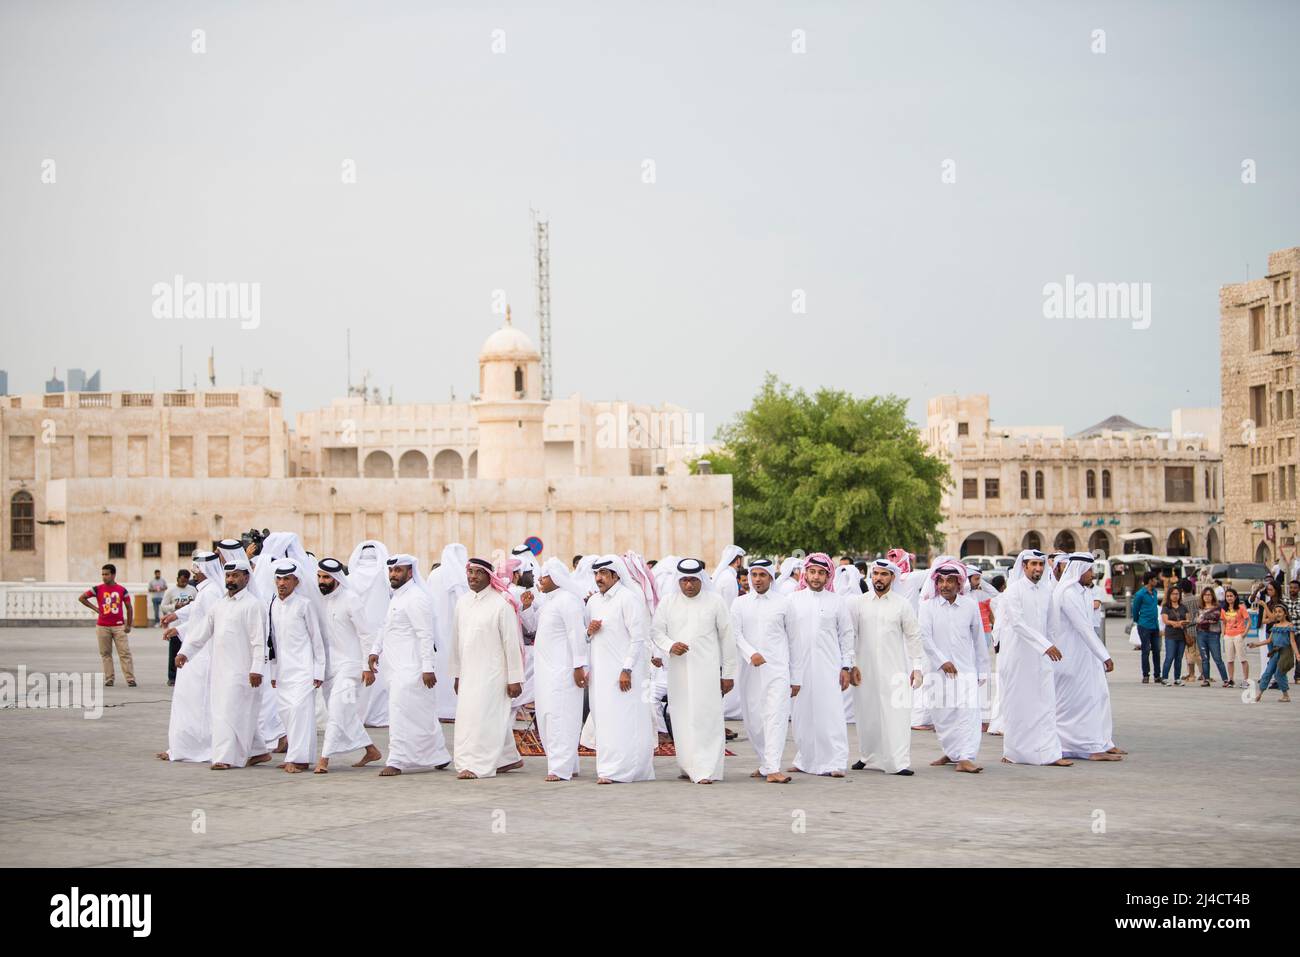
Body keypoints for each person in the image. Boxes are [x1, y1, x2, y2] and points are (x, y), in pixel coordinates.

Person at [174, 557, 272, 770]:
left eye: (235, 575)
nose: (231, 579)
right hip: (220, 670)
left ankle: (224, 758)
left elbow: (259, 642)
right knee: (232, 713)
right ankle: (259, 751)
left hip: (243, 672)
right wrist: (185, 652)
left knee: (228, 713)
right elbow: (202, 631)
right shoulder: (220, 604)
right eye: (228, 575)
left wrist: (257, 669)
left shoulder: (253, 605)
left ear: (246, 578)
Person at [650, 558, 737, 784]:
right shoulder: (668, 602)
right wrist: (670, 645)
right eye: (684, 580)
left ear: (701, 580)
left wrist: (727, 674)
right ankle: (688, 765)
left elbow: (728, 638)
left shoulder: (715, 602)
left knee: (707, 718)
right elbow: (657, 631)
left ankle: (706, 769)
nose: (688, 585)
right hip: (678, 672)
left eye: (693, 580)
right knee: (681, 717)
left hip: (707, 672)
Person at [369, 555, 452, 776]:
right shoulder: (397, 597)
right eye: (391, 571)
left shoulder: (416, 598)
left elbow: (426, 635)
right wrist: (374, 651)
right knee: (421, 715)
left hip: (412, 669)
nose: (393, 574)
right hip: (395, 668)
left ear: (409, 572)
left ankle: (397, 760)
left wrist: (428, 668)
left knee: (399, 713)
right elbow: (385, 627)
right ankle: (438, 754)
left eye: (398, 570)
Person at [448, 558, 526, 780]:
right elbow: (456, 640)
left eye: (477, 573)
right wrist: (456, 674)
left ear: (488, 576)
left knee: (486, 718)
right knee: (468, 717)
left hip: (494, 673)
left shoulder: (501, 604)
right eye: (469, 572)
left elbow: (512, 644)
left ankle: (478, 765)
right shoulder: (462, 602)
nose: (472, 577)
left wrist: (514, 678)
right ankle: (509, 757)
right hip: (469, 672)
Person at [846, 557, 923, 775]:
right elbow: (850, 635)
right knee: (866, 713)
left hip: (894, 669)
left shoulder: (902, 604)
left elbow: (913, 637)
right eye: (876, 574)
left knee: (896, 715)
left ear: (892, 577)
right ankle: (867, 756)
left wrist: (917, 667)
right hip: (864, 668)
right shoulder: (858, 603)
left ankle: (898, 763)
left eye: (884, 574)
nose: (879, 578)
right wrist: (851, 665)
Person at [995, 549, 1070, 766]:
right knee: (1017, 705)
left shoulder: (1047, 592)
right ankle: (1013, 752)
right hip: (1019, 658)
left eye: (1040, 564)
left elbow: (1052, 625)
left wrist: (1052, 645)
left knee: (1045, 704)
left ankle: (1050, 753)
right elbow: (1018, 624)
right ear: (1024, 566)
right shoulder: (1013, 592)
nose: (1037, 568)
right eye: (1033, 564)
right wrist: (1045, 646)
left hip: (1042, 659)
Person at [585, 554, 656, 784]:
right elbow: (585, 637)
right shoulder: (593, 602)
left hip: (624, 673)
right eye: (596, 574)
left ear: (616, 575)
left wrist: (627, 669)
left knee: (626, 719)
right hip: (600, 672)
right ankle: (608, 768)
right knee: (605, 720)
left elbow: (638, 638)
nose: (598, 578)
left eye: (603, 574)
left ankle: (625, 769)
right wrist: (589, 631)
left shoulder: (628, 598)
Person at [730, 557, 802, 783]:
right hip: (750, 671)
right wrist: (751, 653)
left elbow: (794, 642)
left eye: (762, 575)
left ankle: (773, 767)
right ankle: (764, 763)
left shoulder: (784, 603)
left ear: (771, 577)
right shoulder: (740, 603)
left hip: (777, 671)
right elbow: (735, 634)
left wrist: (796, 677)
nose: (757, 579)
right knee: (754, 720)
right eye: (754, 575)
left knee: (776, 717)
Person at [1050, 553, 1124, 761]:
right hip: (1071, 655)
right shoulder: (1067, 593)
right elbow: (1082, 627)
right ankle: (1083, 747)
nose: (1092, 574)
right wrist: (1104, 655)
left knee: (1093, 697)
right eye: (1089, 570)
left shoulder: (1082, 592)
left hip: (1086, 654)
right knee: (1074, 702)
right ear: (1080, 571)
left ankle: (1096, 743)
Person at [787, 552, 854, 777]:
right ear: (805, 574)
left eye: (821, 573)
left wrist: (847, 667)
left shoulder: (837, 602)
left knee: (831, 714)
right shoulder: (792, 601)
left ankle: (835, 761)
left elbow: (847, 636)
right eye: (812, 572)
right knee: (801, 714)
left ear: (828, 576)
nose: (816, 577)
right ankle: (804, 759)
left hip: (829, 667)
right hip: (799, 667)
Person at [313, 558, 382, 773]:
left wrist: (367, 667)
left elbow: (366, 635)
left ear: (337, 579)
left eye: (327, 577)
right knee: (345, 712)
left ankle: (324, 760)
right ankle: (371, 750)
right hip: (329, 669)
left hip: (351, 668)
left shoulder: (351, 599)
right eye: (320, 576)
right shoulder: (320, 601)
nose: (322, 581)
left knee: (336, 711)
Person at [919, 562, 987, 773]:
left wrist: (982, 669)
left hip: (965, 670)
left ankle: (965, 757)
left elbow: (979, 640)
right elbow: (924, 637)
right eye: (941, 581)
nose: (945, 585)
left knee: (968, 713)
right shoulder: (927, 606)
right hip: (938, 672)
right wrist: (942, 661)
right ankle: (952, 752)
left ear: (959, 583)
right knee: (944, 716)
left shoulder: (969, 605)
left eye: (950, 581)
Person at [156, 551, 223, 763]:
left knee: (198, 704)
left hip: (201, 655)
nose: (194, 573)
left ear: (205, 570)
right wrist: (178, 623)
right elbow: (197, 613)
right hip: (194, 651)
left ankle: (199, 748)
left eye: (196, 569)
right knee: (187, 702)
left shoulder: (211, 591)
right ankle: (183, 747)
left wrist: (184, 637)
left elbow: (209, 622)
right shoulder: (206, 591)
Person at [534, 558, 589, 781]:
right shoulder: (550, 601)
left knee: (561, 717)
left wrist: (578, 666)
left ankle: (559, 768)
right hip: (546, 672)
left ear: (556, 578)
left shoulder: (568, 600)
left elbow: (576, 635)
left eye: (544, 576)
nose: (540, 579)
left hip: (563, 671)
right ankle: (569, 764)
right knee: (547, 716)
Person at [268, 561, 326, 772]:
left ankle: (298, 759)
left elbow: (316, 640)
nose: (281, 583)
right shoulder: (274, 604)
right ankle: (296, 754)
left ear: (296, 581)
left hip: (304, 669)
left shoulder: (304, 604)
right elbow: (272, 641)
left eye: (286, 579)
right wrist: (274, 671)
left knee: (300, 712)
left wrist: (318, 670)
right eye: (279, 579)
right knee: (286, 712)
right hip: (283, 670)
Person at [79, 563, 136, 688]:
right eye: (103, 574)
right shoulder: (97, 589)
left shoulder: (122, 590)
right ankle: (109, 678)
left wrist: (128, 625)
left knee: (124, 652)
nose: (104, 577)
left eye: (107, 574)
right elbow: (82, 598)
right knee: (105, 654)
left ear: (113, 575)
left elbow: (129, 608)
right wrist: (96, 608)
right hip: (102, 626)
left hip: (119, 626)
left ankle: (130, 678)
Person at [1251, 602, 1296, 703]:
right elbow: (1269, 640)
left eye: (1280, 612)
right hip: (1275, 652)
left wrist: (1297, 654)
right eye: (1275, 612)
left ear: (1285, 614)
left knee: (1279, 673)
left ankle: (1286, 695)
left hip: (1286, 652)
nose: (1277, 614)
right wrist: (1256, 644)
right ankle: (1260, 693)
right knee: (1267, 672)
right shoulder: (1275, 625)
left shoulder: (1289, 626)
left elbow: (1292, 641)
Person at [160, 570, 196, 685]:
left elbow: (196, 605)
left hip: (189, 625)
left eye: (186, 581)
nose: (183, 582)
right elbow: (163, 606)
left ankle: (187, 676)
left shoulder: (192, 590)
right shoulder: (171, 591)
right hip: (175, 626)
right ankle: (172, 677)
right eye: (182, 580)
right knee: (174, 652)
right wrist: (175, 606)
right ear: (177, 579)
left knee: (188, 652)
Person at [1195, 587, 1229, 688]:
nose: (1207, 597)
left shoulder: (1217, 608)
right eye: (1205, 595)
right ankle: (1206, 679)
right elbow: (1196, 620)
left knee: (1217, 658)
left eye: (1209, 595)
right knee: (1204, 659)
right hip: (1201, 634)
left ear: (1212, 596)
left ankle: (1225, 679)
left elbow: (1215, 618)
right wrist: (1203, 620)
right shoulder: (1199, 608)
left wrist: (1203, 619)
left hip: (1213, 635)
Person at [1131, 572, 1161, 683]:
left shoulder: (1155, 592)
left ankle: (1157, 675)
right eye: (1155, 579)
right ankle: (1145, 674)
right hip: (1144, 625)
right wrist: (1138, 620)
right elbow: (1135, 609)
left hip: (1155, 625)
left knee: (1157, 650)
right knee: (1146, 650)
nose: (1156, 581)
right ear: (1149, 581)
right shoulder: (1140, 594)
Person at [1158, 586, 1190, 686]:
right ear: (1169, 595)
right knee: (1170, 656)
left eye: (1177, 594)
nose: (1175, 596)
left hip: (1181, 635)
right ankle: (1164, 677)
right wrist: (1175, 623)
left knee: (1179, 658)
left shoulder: (1183, 607)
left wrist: (1181, 623)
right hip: (1170, 635)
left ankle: (1177, 678)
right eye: (1173, 594)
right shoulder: (1166, 607)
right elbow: (1165, 620)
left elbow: (1188, 619)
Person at [1221, 588, 1250, 689]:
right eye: (1227, 596)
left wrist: (1244, 633)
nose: (1229, 598)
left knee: (1242, 659)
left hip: (1239, 635)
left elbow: (1248, 621)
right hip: (1228, 636)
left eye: (1231, 596)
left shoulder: (1241, 608)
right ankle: (1231, 679)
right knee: (1229, 659)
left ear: (1235, 597)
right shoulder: (1224, 609)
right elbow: (1223, 622)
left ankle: (1246, 680)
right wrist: (1223, 633)